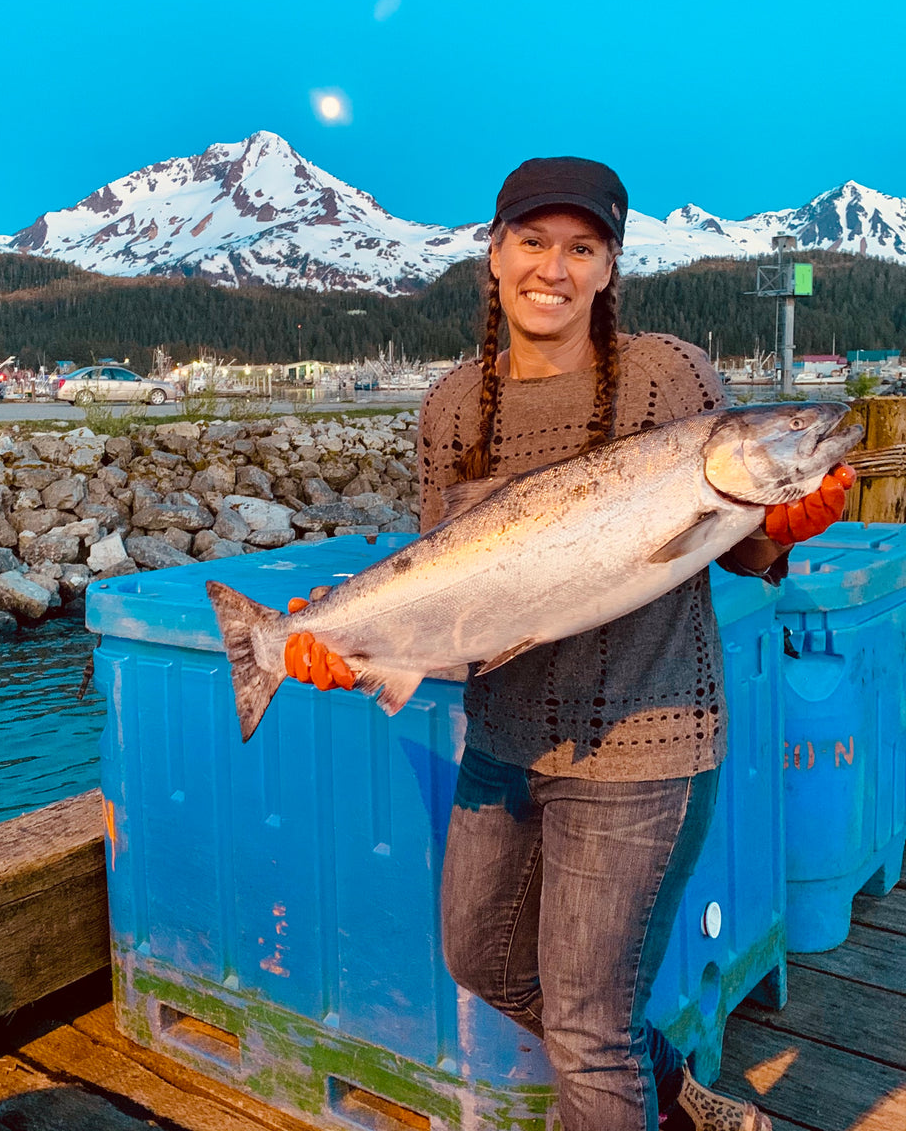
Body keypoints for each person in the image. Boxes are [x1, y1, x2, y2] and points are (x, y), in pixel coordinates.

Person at [284, 157, 853, 1131]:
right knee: (486, 958)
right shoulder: (454, 405)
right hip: (504, 737)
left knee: (589, 1027)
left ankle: (623, 1090)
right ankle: (667, 1091)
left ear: (608, 267)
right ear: (495, 255)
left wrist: (783, 524)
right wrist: (350, 640)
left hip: (649, 745)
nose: (554, 266)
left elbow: (738, 543)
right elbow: (444, 580)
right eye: (534, 241)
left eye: (581, 248)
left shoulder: (671, 374)